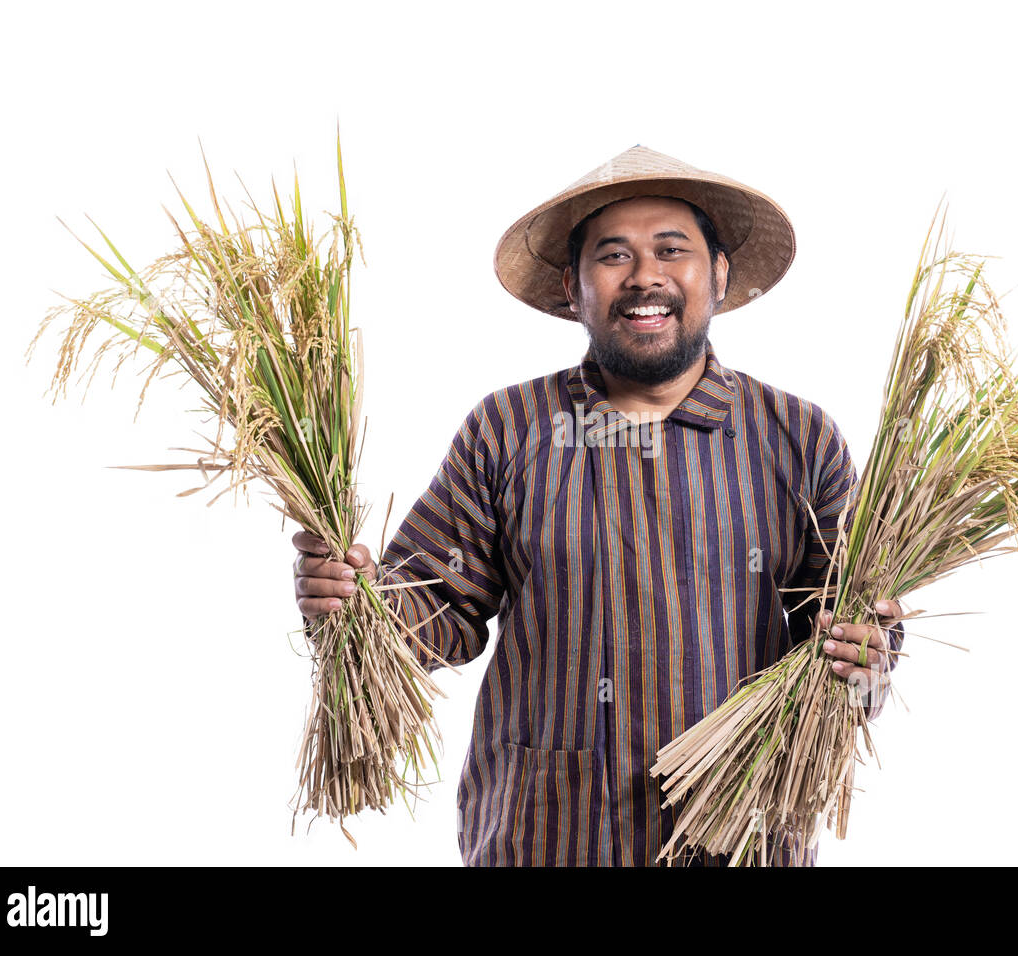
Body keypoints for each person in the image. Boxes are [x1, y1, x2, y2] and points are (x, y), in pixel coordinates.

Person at [293, 145, 905, 866]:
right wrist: (351, 608)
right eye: (613, 256)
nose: (645, 275)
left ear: (719, 275)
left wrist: (867, 658)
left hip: (740, 844)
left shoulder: (798, 438)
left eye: (672, 250)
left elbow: (850, 642)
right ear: (572, 288)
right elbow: (436, 610)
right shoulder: (508, 428)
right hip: (544, 836)